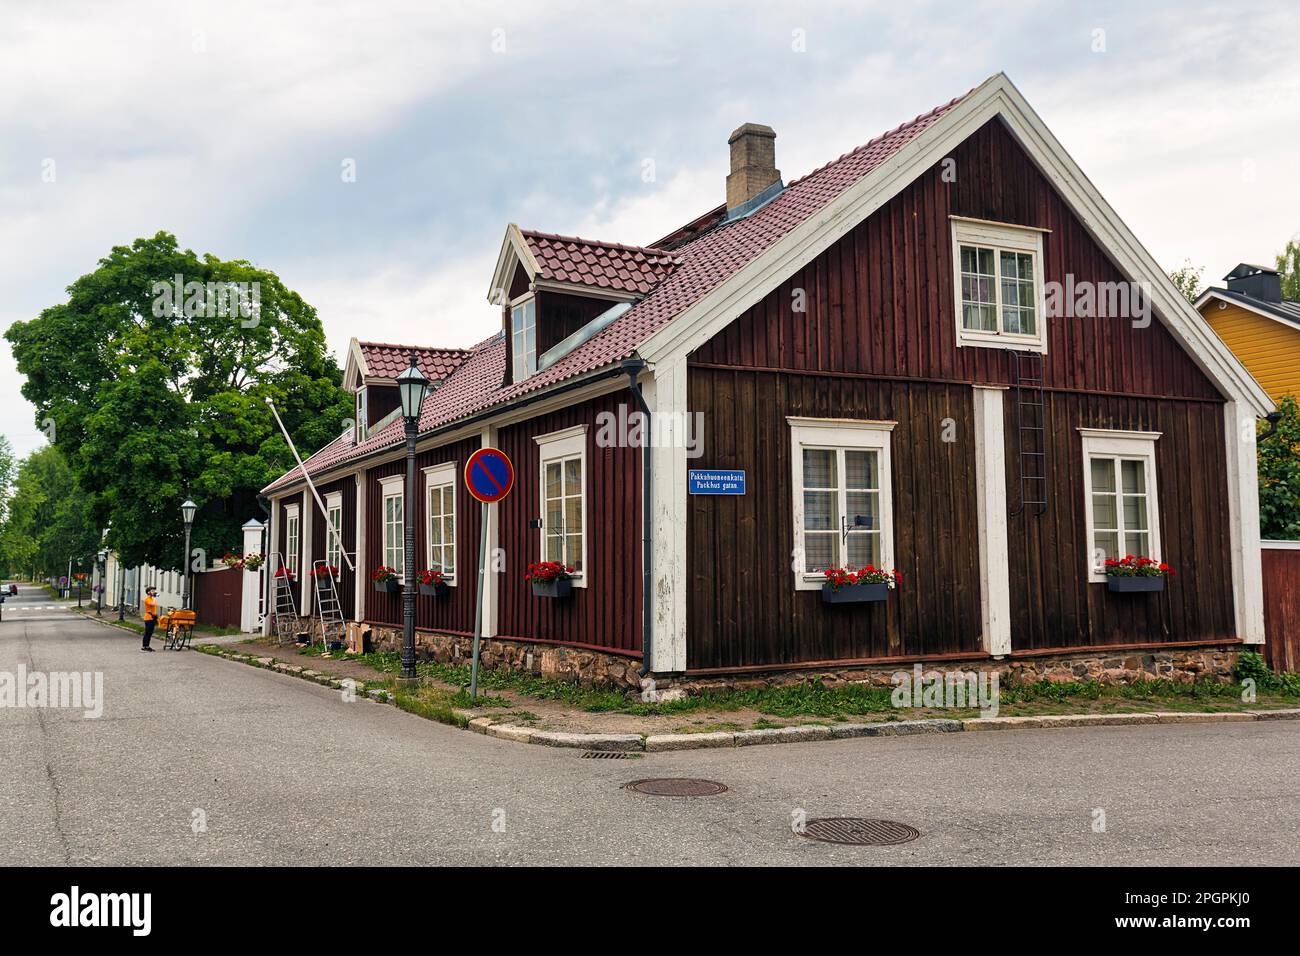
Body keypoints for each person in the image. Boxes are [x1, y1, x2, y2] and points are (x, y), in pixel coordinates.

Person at [142, 586, 159, 652]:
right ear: (148, 592)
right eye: (152, 591)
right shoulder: (147, 599)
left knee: (150, 633)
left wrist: (153, 597)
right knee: (147, 632)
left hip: (153, 617)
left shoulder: (152, 598)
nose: (154, 592)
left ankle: (147, 646)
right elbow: (152, 604)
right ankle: (144, 646)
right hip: (148, 617)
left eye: (154, 591)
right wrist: (154, 597)